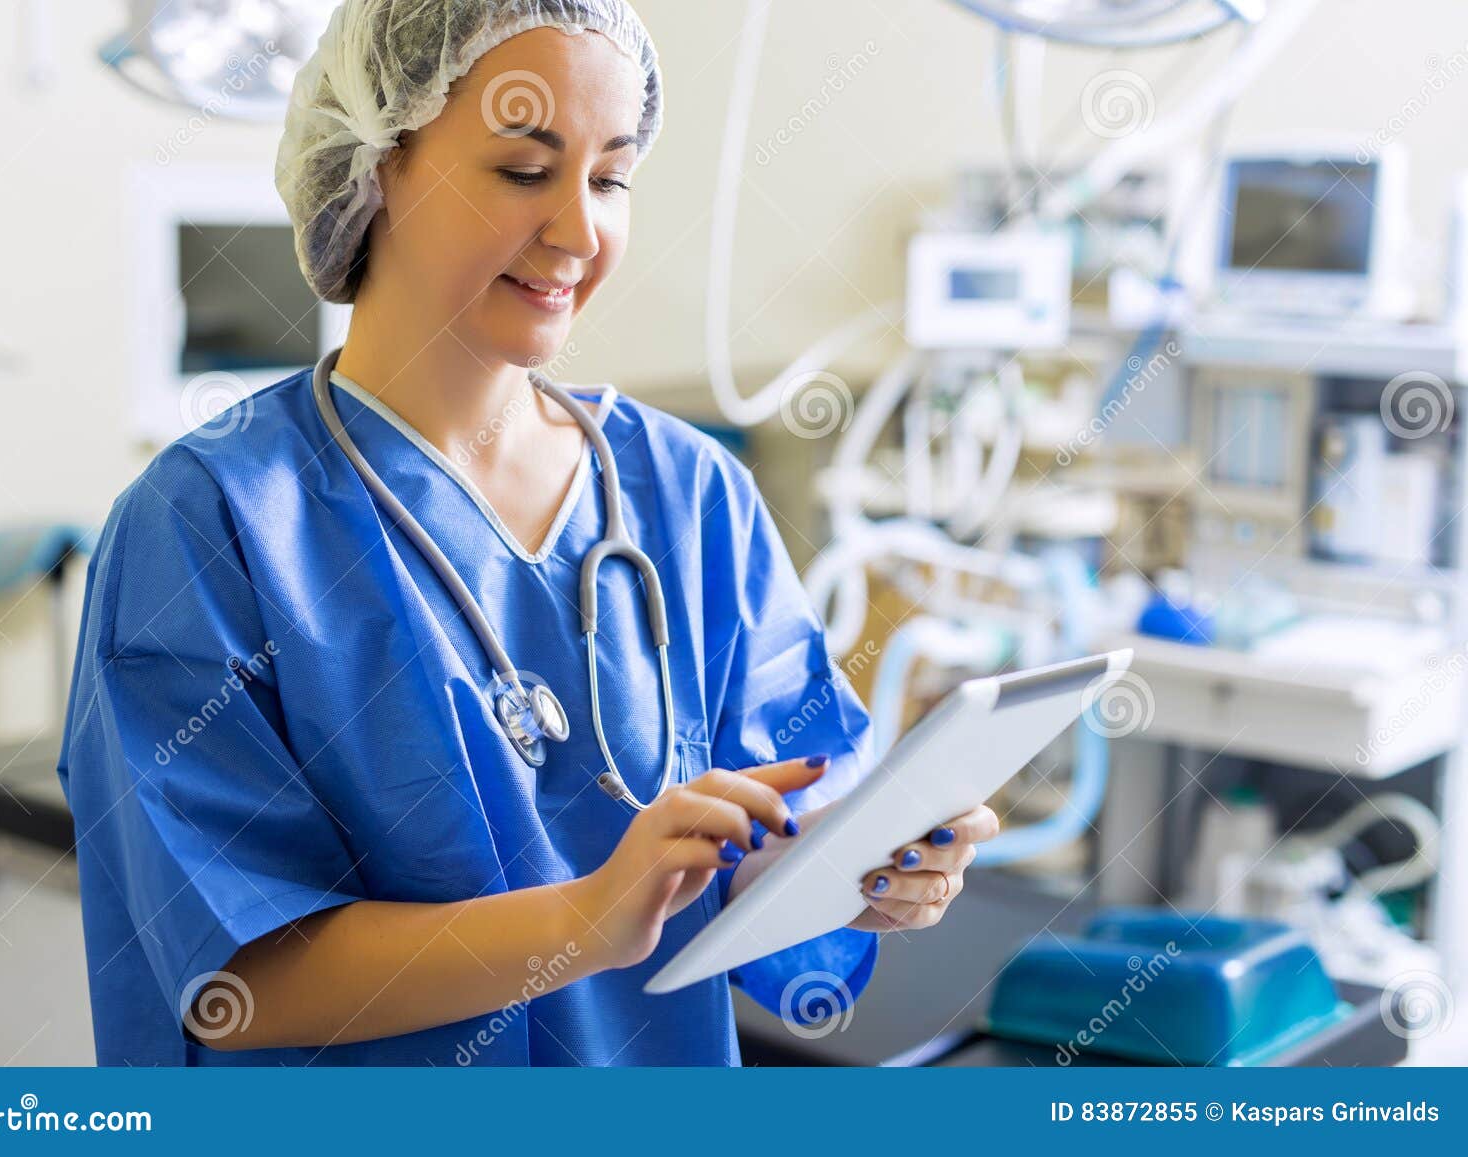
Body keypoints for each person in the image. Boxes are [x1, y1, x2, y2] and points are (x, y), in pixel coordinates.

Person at [57, 0, 998, 1067]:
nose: (579, 232)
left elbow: (756, 843)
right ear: (374, 167)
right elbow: (233, 976)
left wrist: (856, 867)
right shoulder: (211, 522)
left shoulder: (688, 494)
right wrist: (583, 920)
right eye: (522, 169)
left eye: (609, 177)